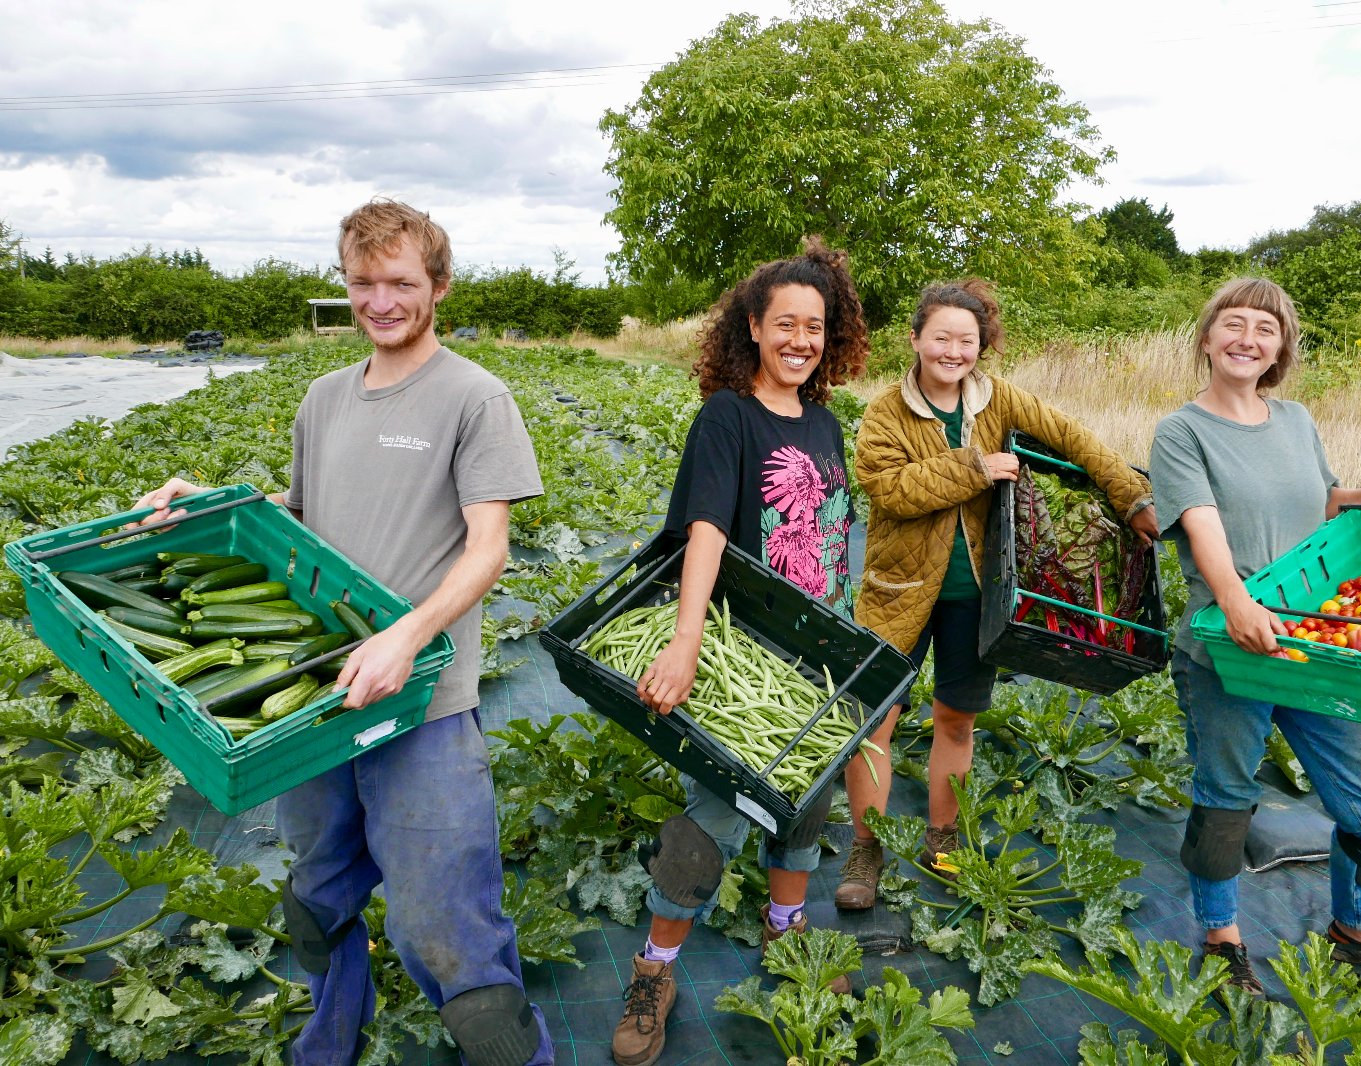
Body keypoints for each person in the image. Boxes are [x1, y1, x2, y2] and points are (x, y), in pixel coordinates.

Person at [136, 199, 554, 1066]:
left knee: (449, 933)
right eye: (363, 282)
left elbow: (488, 551)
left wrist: (407, 635)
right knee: (316, 894)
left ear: (437, 285)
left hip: (423, 708)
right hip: (318, 709)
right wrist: (202, 507)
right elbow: (297, 527)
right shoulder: (323, 400)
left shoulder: (477, 397)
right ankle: (334, 1027)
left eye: (401, 282)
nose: (381, 300)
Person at [611, 239, 870, 1066]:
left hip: (815, 659)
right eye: (785, 323)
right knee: (717, 811)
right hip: (742, 654)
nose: (801, 339)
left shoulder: (827, 422)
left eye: (816, 327)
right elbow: (707, 532)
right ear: (753, 328)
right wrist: (686, 644)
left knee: (806, 802)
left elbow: (831, 541)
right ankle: (655, 969)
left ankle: (787, 931)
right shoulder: (727, 416)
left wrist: (855, 653)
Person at [1148, 277, 1361, 998]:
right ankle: (1222, 939)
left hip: (1315, 642)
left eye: (1265, 329)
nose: (1248, 339)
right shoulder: (1181, 431)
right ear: (1208, 338)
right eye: (1234, 324)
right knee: (1225, 800)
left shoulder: (1297, 420)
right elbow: (1200, 519)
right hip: (1226, 644)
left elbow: (1320, 500)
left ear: (1281, 348)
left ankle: (1355, 930)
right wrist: (1236, 600)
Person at [834, 278, 1158, 911]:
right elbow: (889, 490)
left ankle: (942, 837)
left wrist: (1132, 496)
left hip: (975, 596)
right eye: (942, 338)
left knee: (956, 718)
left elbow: (1075, 440)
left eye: (967, 340)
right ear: (917, 339)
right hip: (898, 591)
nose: (954, 351)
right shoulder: (885, 413)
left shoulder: (999, 399)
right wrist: (974, 468)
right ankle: (865, 849)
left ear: (981, 345)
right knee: (875, 720)